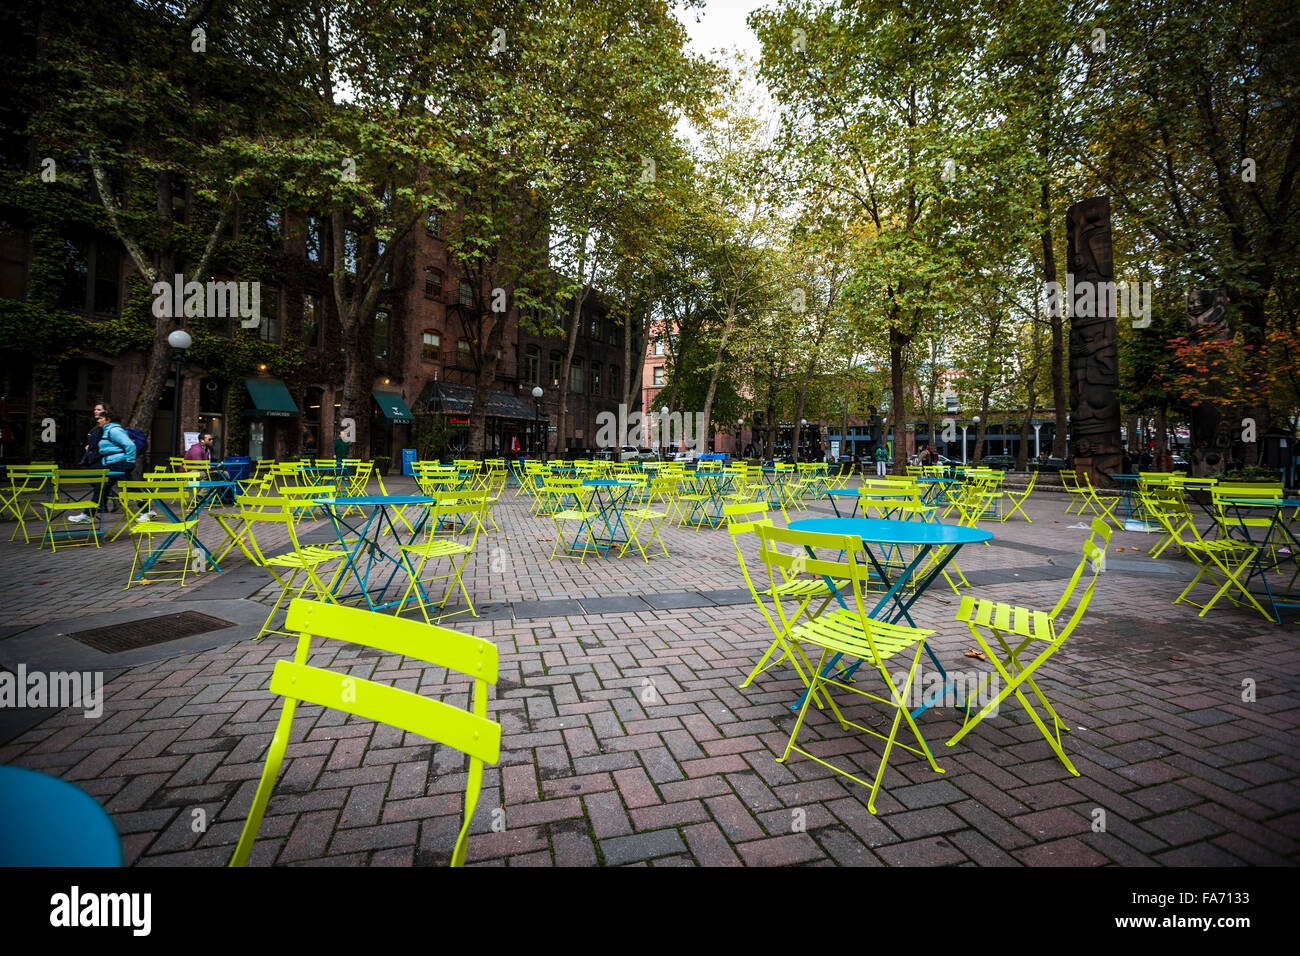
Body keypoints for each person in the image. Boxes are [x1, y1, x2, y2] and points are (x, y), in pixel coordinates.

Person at [70, 407, 135, 522]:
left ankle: (148, 511)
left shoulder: (114, 430)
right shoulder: (106, 430)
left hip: (119, 463)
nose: (98, 420)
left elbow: (130, 446)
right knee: (101, 487)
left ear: (108, 419)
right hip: (111, 463)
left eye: (101, 418)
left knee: (132, 488)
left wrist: (129, 462)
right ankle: (88, 515)